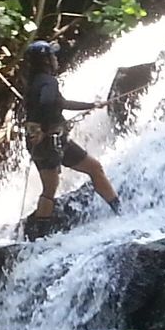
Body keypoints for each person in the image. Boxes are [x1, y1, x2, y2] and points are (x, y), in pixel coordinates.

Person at [19, 38, 118, 235]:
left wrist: (92, 105)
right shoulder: (48, 81)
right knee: (58, 185)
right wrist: (44, 129)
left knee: (91, 169)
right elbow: (47, 102)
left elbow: (61, 103)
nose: (56, 59)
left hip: (49, 141)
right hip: (50, 141)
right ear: (47, 60)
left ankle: (41, 234)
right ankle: (41, 235)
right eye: (53, 55)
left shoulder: (35, 82)